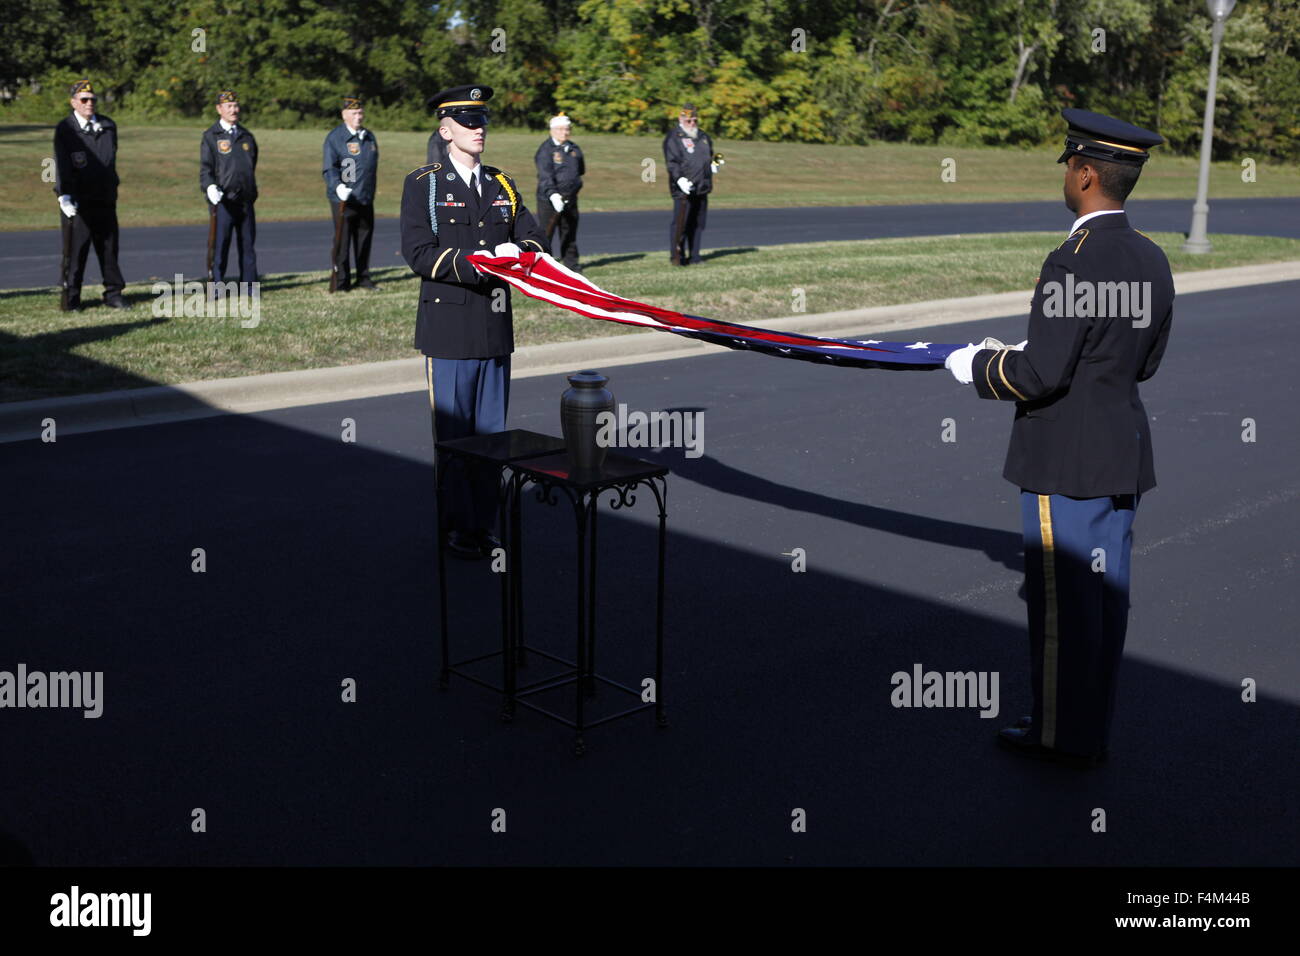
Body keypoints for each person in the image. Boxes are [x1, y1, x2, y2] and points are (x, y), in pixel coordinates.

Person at [945, 109, 1174, 767]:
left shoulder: (1072, 260)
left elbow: (1040, 373)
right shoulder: (1150, 256)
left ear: (1083, 174)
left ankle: (1057, 734)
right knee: (1104, 603)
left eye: (1068, 166)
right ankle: (1088, 726)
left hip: (1063, 459)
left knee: (1061, 608)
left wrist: (978, 367)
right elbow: (1143, 362)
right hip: (1121, 452)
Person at [400, 84, 547, 559]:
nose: (478, 129)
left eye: (482, 120)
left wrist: (518, 252)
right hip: (449, 329)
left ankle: (485, 525)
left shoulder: (501, 183)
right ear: (446, 130)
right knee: (456, 439)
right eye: (468, 122)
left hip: (494, 328)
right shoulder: (424, 184)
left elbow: (534, 237)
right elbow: (419, 254)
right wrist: (478, 261)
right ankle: (456, 528)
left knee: (493, 439)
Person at [52, 78, 129, 310]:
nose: (89, 103)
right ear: (73, 102)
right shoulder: (65, 129)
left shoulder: (107, 126)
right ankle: (72, 296)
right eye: (84, 99)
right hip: (78, 201)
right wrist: (63, 195)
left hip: (105, 198)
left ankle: (113, 293)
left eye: (92, 100)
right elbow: (61, 164)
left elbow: (109, 161)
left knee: (108, 249)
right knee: (76, 252)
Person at [199, 90, 259, 284]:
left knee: (248, 246)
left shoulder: (246, 135)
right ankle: (216, 285)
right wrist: (210, 187)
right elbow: (206, 169)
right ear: (219, 109)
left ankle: (249, 286)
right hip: (224, 201)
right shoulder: (211, 136)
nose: (234, 110)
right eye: (229, 107)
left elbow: (252, 164)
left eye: (235, 106)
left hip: (245, 200)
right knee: (220, 246)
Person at [322, 94, 379, 291]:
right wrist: (337, 186)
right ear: (344, 114)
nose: (358, 116)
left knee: (364, 238)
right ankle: (341, 280)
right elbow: (330, 168)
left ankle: (363, 277)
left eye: (360, 112)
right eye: (354, 113)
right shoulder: (335, 138)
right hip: (343, 199)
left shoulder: (369, 137)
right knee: (343, 240)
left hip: (365, 197)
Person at [662, 103, 716, 266]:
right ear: (681, 119)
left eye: (694, 120)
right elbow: (672, 162)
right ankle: (677, 256)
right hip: (684, 189)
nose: (692, 124)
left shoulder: (703, 136)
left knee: (698, 224)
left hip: (702, 187)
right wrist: (680, 179)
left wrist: (715, 164)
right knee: (681, 223)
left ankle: (695, 256)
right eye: (689, 121)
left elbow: (711, 155)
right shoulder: (674, 137)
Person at [533, 113, 584, 271]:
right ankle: (543, 265)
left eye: (567, 129)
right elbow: (545, 176)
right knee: (546, 233)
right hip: (550, 199)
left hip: (570, 198)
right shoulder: (545, 150)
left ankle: (571, 265)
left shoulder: (574, 149)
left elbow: (580, 170)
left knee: (569, 231)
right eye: (561, 129)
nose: (564, 132)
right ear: (552, 130)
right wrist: (554, 195)